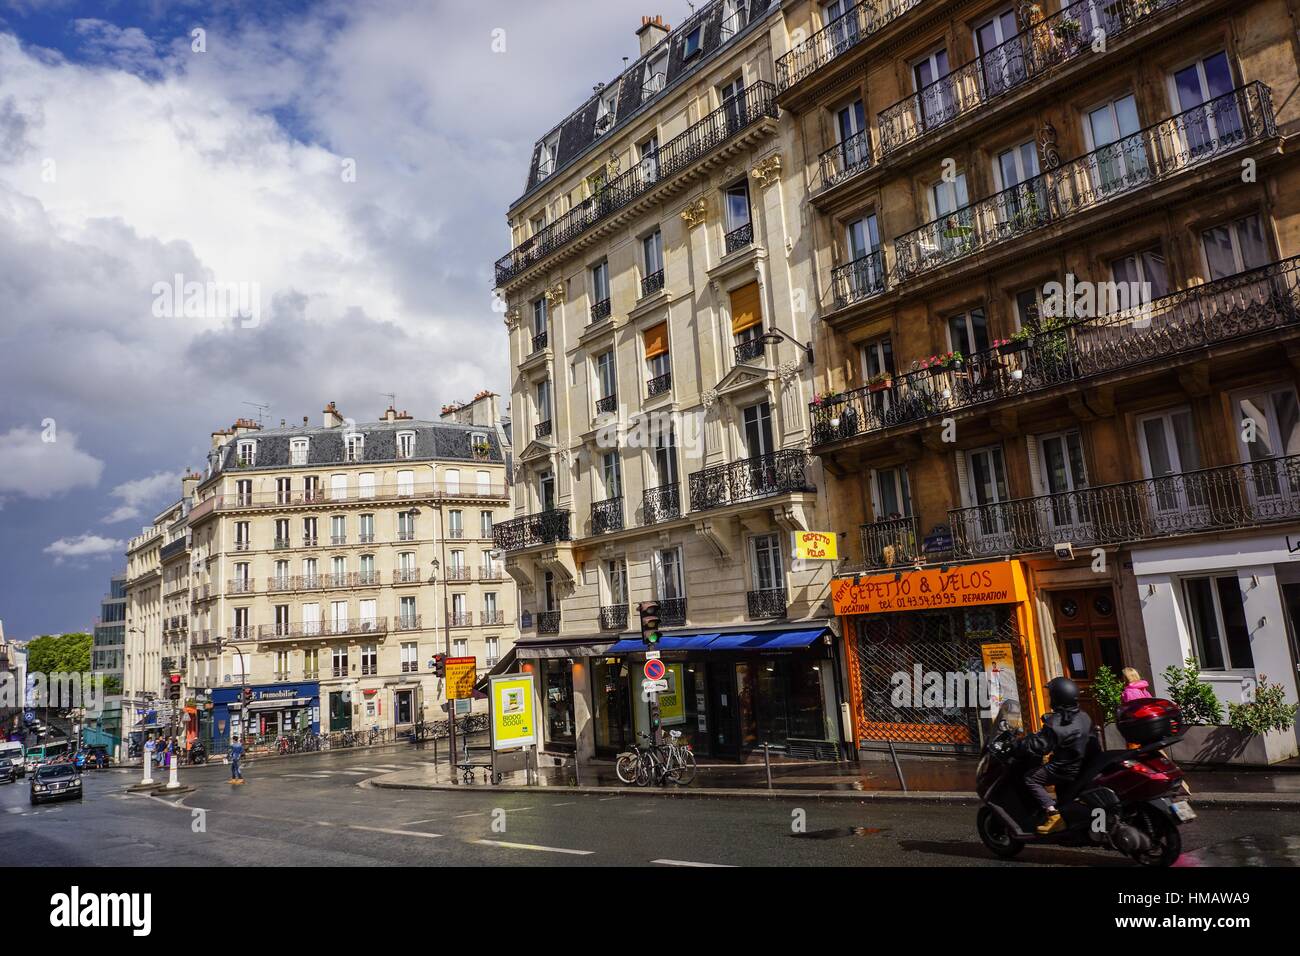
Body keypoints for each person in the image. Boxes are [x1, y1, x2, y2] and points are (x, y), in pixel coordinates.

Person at [1016, 676, 1094, 835]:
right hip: (1083, 764)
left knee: (1031, 778)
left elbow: (1040, 746)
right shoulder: (1084, 715)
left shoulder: (1057, 722)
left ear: (1058, 698)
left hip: (1064, 768)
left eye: (1052, 695)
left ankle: (1054, 816)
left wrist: (1020, 744)